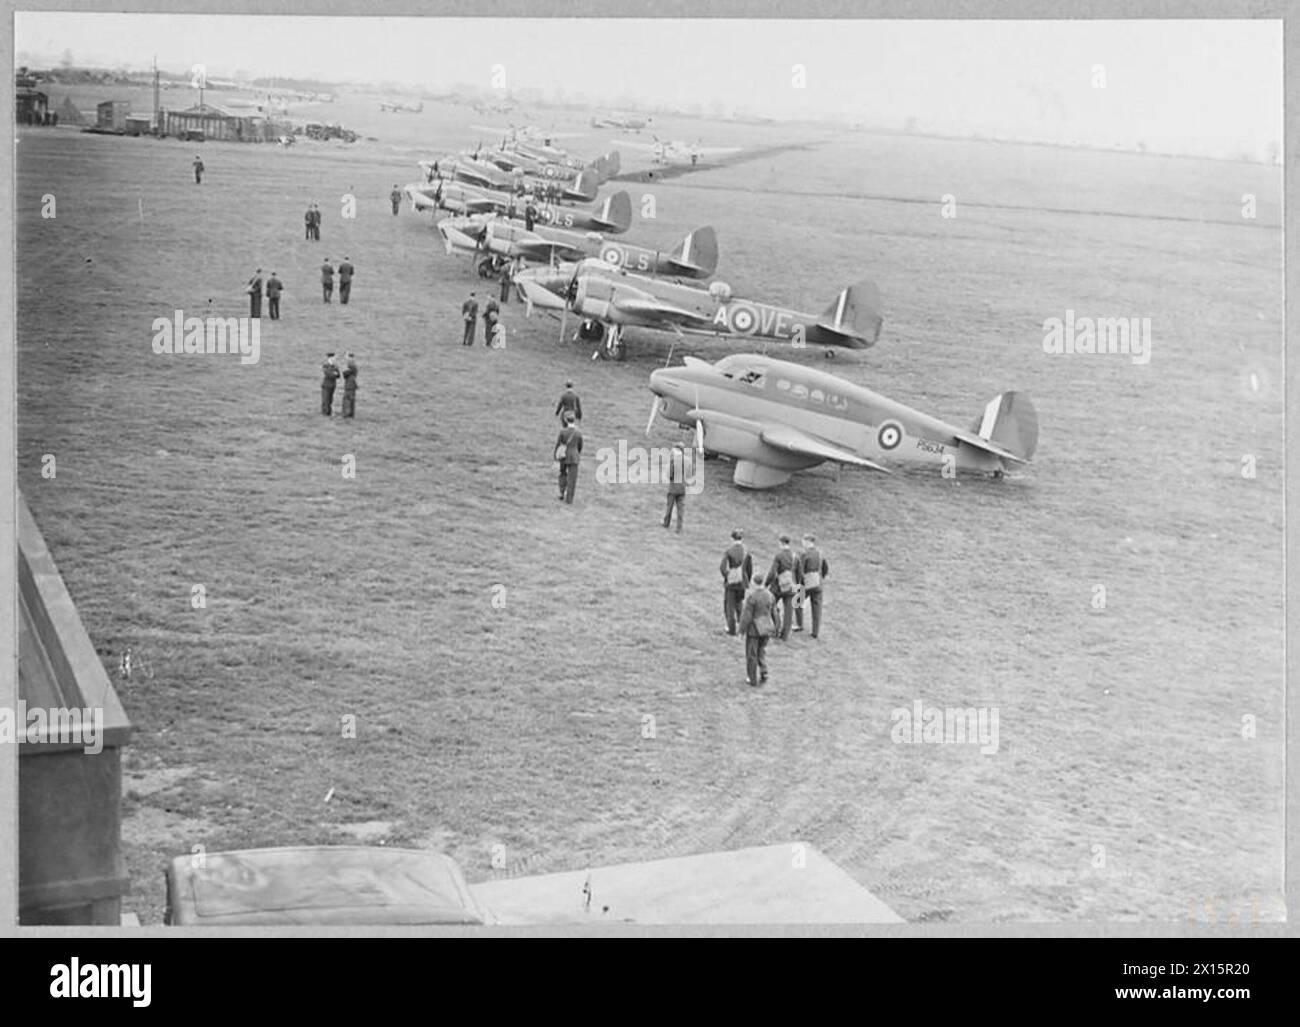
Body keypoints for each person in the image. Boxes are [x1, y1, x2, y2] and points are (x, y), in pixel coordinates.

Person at [738, 574, 778, 688]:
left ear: (754, 583)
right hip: (767, 627)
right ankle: (764, 671)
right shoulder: (770, 595)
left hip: (754, 630)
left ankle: (752, 678)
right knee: (761, 651)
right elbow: (775, 613)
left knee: (752, 654)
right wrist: (776, 627)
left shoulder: (753, 597)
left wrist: (741, 631)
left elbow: (747, 616)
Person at [794, 534, 829, 638]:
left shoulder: (804, 554)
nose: (802, 543)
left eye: (803, 541)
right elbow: (825, 567)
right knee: (817, 608)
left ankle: (799, 625)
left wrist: (798, 583)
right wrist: (821, 577)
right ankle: (815, 632)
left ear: (808, 541)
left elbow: (800, 570)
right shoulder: (820, 553)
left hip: (805, 583)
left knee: (797, 602)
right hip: (818, 583)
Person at [719, 529, 753, 636]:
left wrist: (727, 576)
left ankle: (731, 628)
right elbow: (749, 569)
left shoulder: (729, 551)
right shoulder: (746, 552)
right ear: (741, 539)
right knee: (739, 604)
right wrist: (747, 580)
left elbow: (722, 567)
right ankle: (742, 627)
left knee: (729, 606)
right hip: (742, 582)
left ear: (732, 538)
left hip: (732, 582)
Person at [764, 535, 798, 641]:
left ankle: (776, 628)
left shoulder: (779, 556)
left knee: (770, 604)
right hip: (791, 586)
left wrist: (766, 584)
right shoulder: (795, 556)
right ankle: (785, 636)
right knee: (789, 611)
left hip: (779, 586)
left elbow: (772, 572)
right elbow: (799, 573)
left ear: (781, 543)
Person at [554, 411, 582, 504]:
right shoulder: (578, 432)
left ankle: (561, 492)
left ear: (566, 420)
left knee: (562, 474)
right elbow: (580, 446)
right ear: (574, 421)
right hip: (574, 457)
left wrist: (556, 456)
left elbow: (558, 444)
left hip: (564, 456)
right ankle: (569, 499)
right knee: (572, 479)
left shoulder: (563, 432)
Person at [662, 445, 686, 533]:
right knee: (681, 509)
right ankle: (679, 528)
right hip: (682, 488)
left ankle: (666, 523)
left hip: (673, 488)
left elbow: (670, 475)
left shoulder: (673, 461)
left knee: (669, 507)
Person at [341, 353, 358, 418]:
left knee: (347, 399)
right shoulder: (353, 366)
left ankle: (346, 414)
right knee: (351, 399)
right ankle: (351, 414)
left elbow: (345, 374)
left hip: (349, 385)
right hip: (352, 385)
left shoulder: (350, 366)